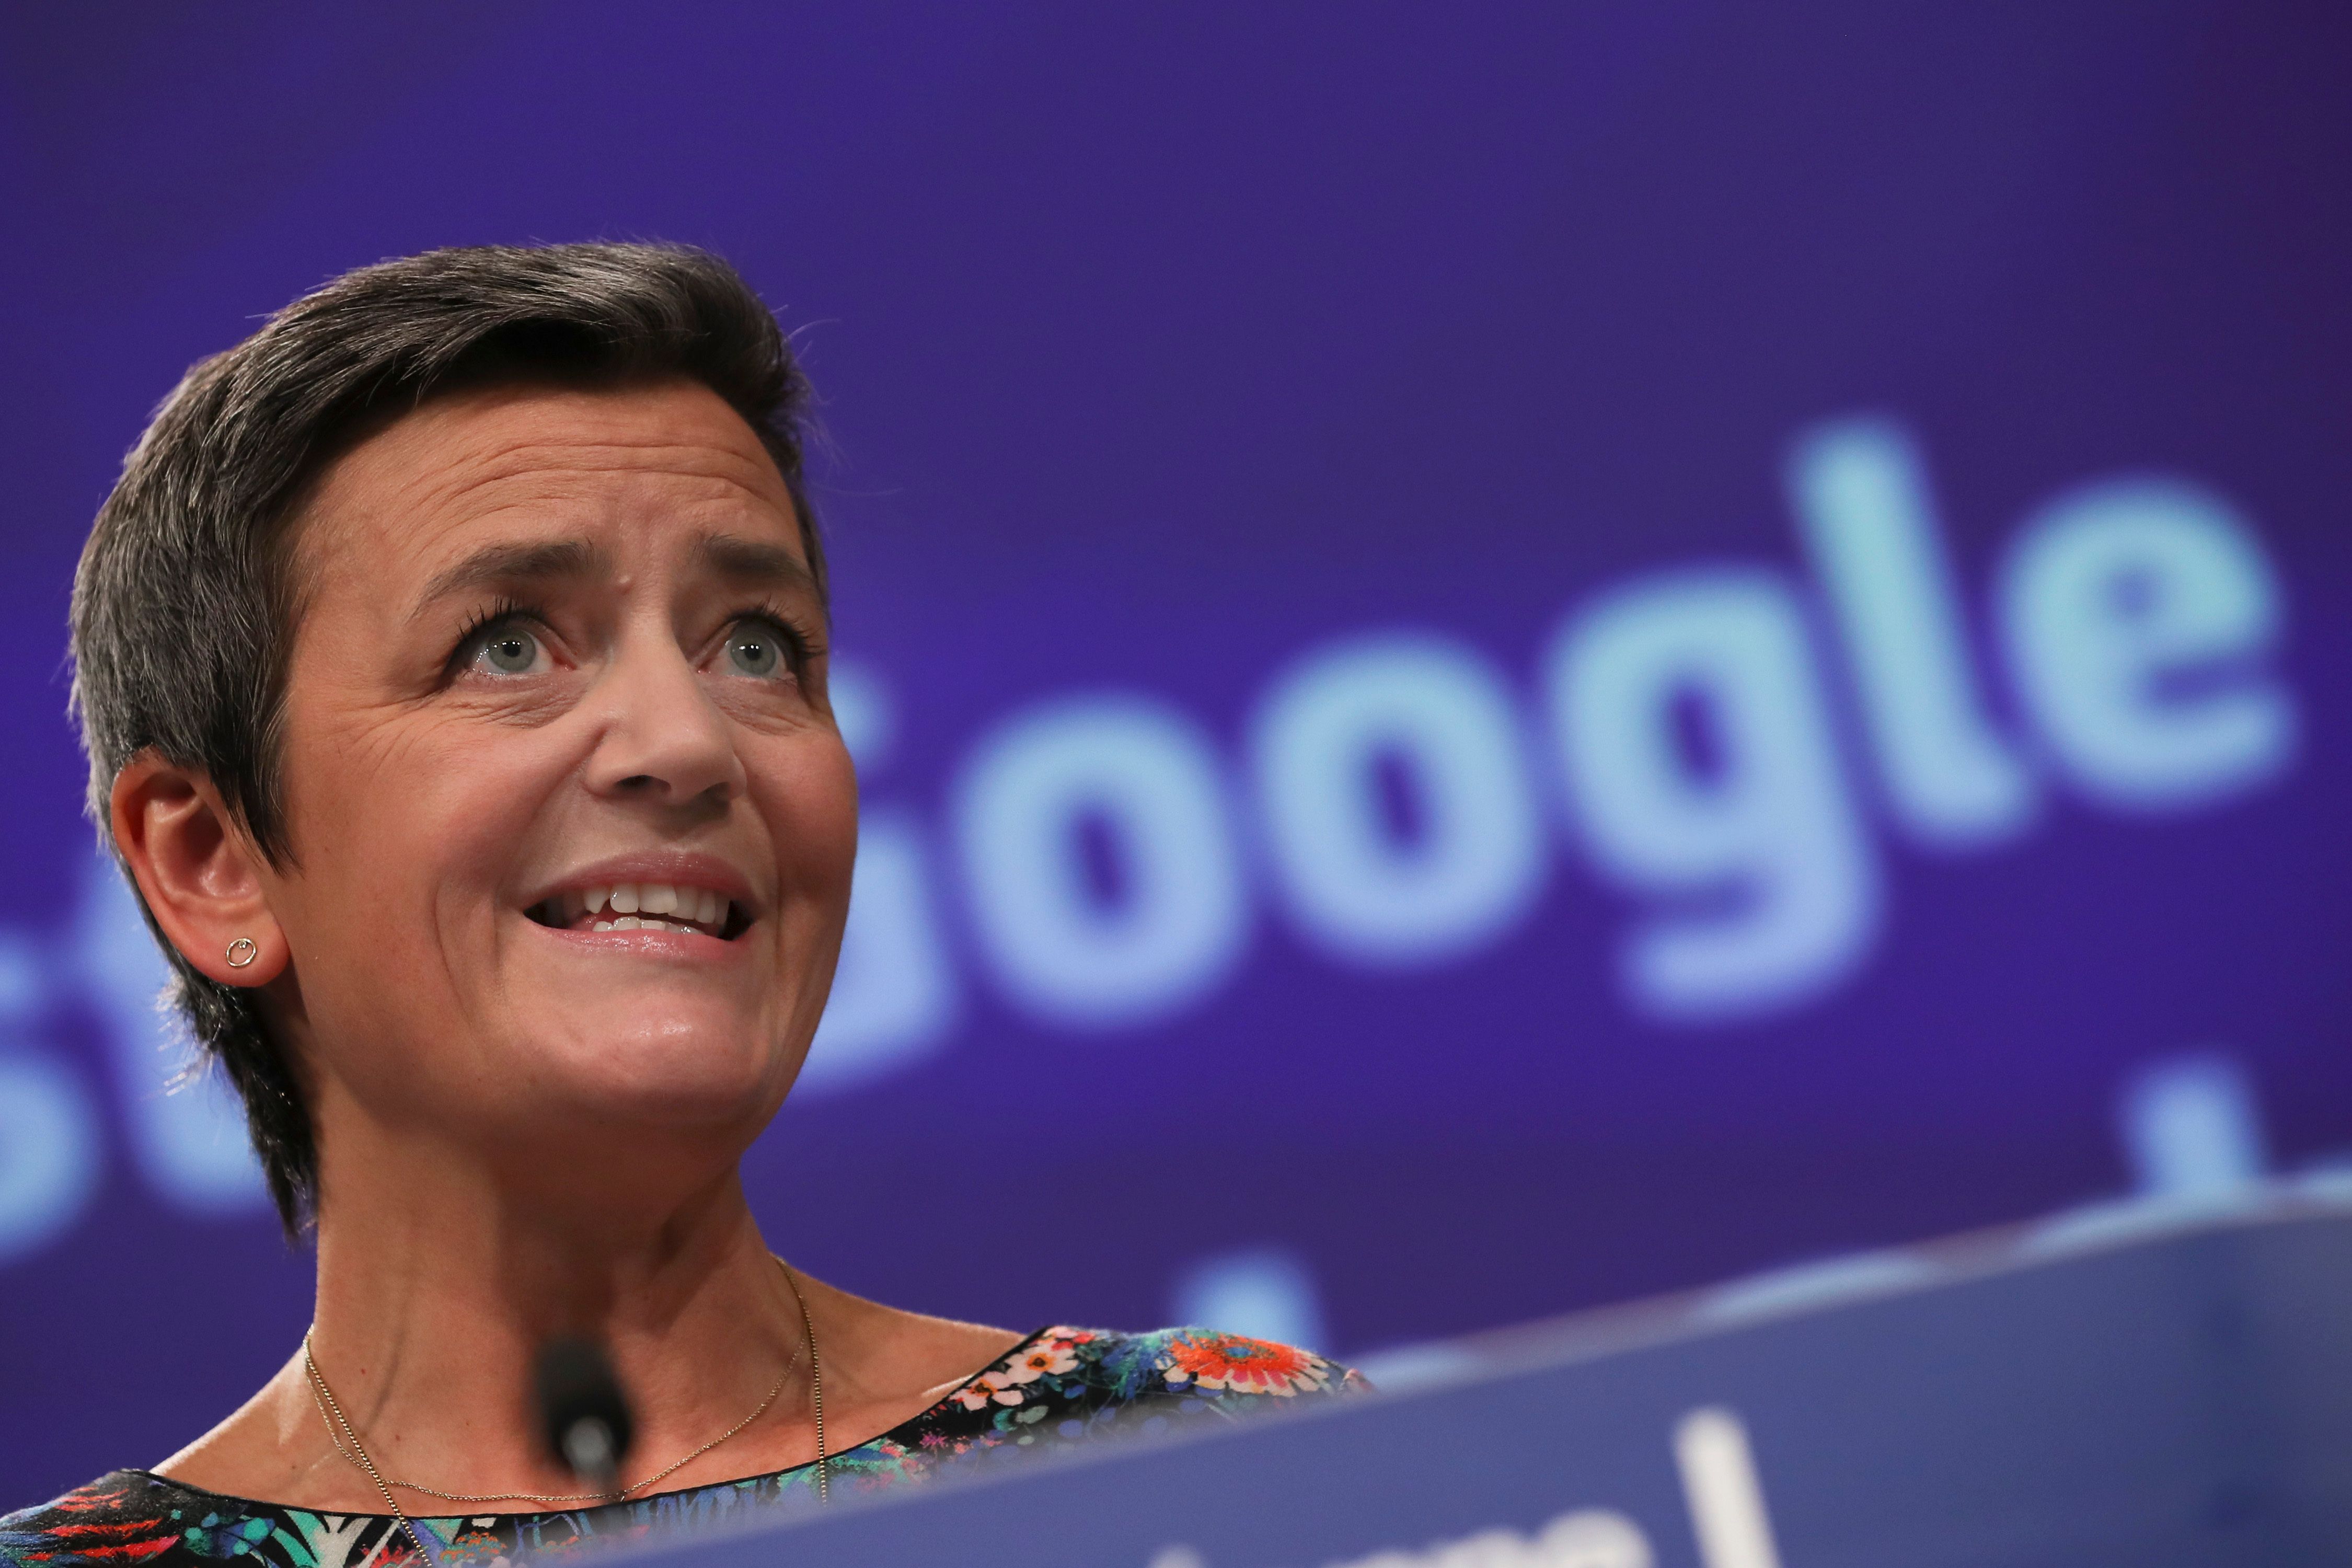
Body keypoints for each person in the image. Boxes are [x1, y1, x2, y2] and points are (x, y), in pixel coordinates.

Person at [0, 244, 1362, 1566]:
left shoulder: (1230, 1468)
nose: (690, 740)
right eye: (507, 646)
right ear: (211, 859)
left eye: (756, 649)